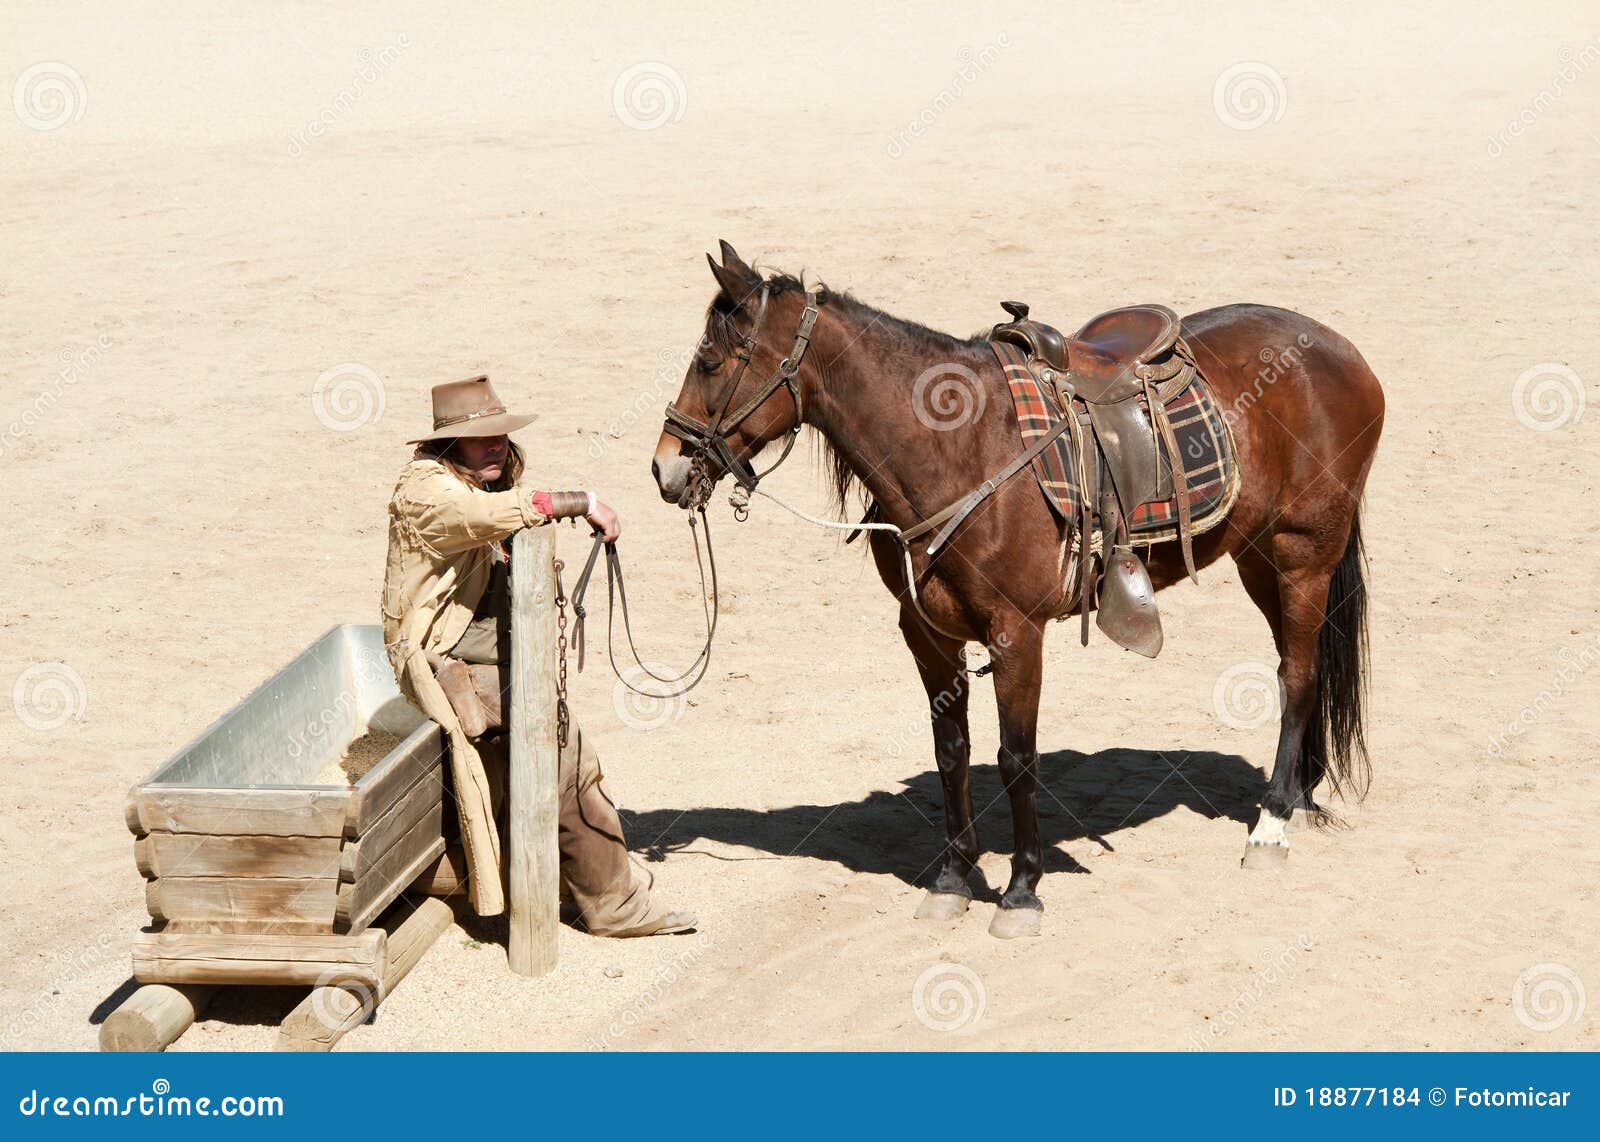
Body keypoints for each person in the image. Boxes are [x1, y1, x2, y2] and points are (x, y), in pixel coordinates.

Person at [382, 374, 694, 937]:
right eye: (480, 437)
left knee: (564, 760)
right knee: (565, 760)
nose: (496, 445)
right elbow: (480, 518)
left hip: (486, 655)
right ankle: (616, 907)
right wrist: (582, 502)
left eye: (500, 434)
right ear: (449, 444)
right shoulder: (426, 490)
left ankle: (560, 882)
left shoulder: (476, 482)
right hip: (446, 663)